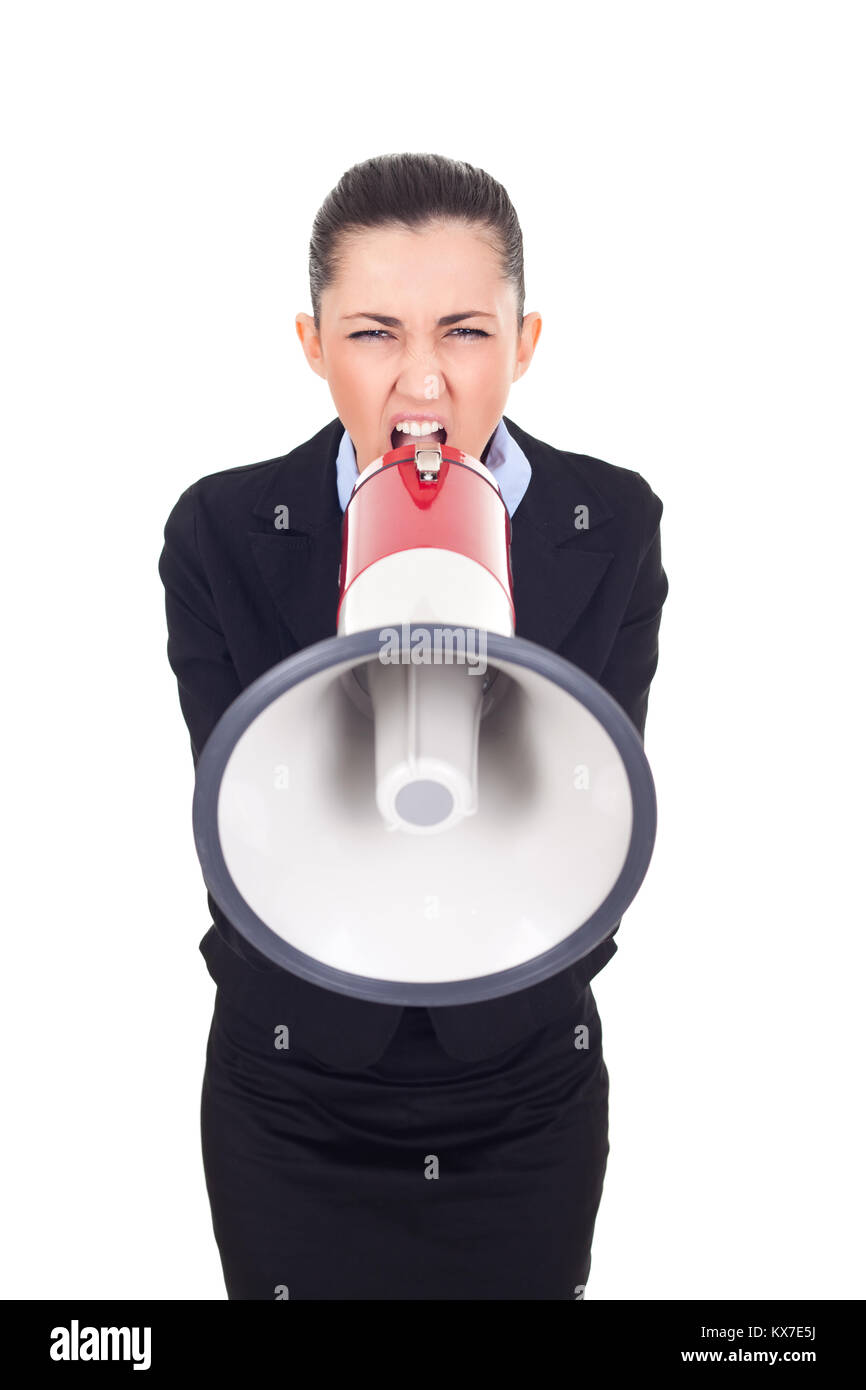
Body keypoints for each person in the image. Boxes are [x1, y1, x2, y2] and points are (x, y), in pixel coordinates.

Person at [158, 152, 669, 1300]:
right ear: (312, 345)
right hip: (294, 1092)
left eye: (465, 332)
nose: (422, 383)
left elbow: (589, 811)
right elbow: (252, 823)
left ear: (525, 342)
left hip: (519, 1087)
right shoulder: (223, 531)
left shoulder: (614, 523)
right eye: (375, 334)